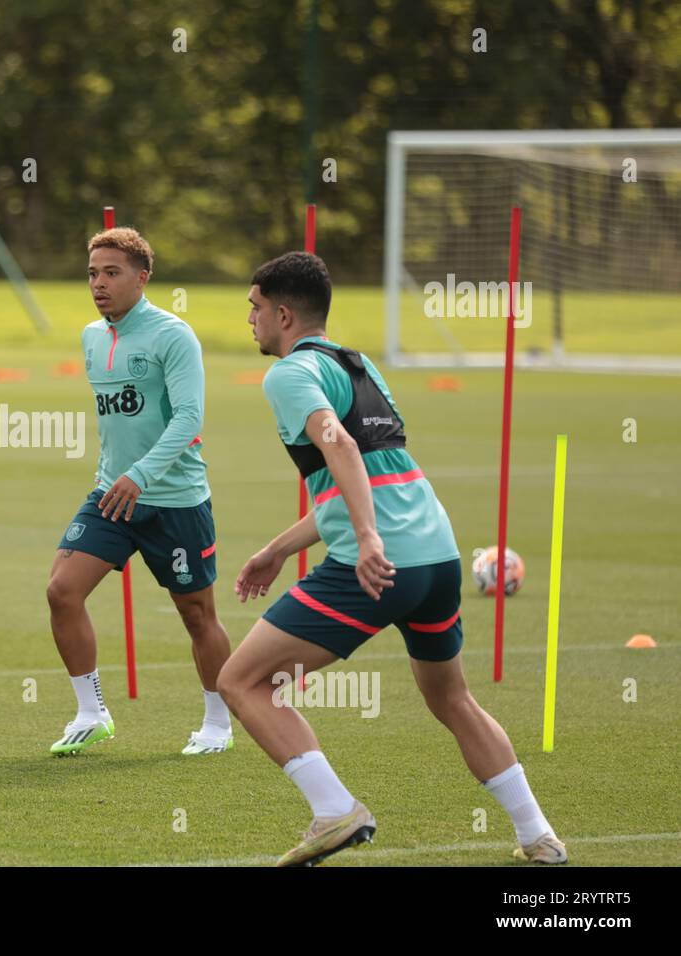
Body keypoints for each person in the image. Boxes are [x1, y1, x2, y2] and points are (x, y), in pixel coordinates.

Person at [218, 250, 566, 866]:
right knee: (451, 698)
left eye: (253, 309)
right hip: (437, 554)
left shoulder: (288, 375)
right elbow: (370, 476)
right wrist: (277, 549)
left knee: (241, 681)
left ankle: (334, 810)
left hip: (381, 562)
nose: (250, 320)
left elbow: (341, 447)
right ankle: (539, 837)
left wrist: (369, 540)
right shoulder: (357, 363)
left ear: (282, 313)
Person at [46, 226, 234, 756]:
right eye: (92, 273)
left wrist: (142, 475)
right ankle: (91, 711)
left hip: (174, 499)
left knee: (197, 615)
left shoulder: (173, 335)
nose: (98, 284)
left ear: (142, 278)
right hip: (111, 494)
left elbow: (189, 419)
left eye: (111, 273)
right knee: (62, 591)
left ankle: (218, 723)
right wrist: (115, 475)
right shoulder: (90, 336)